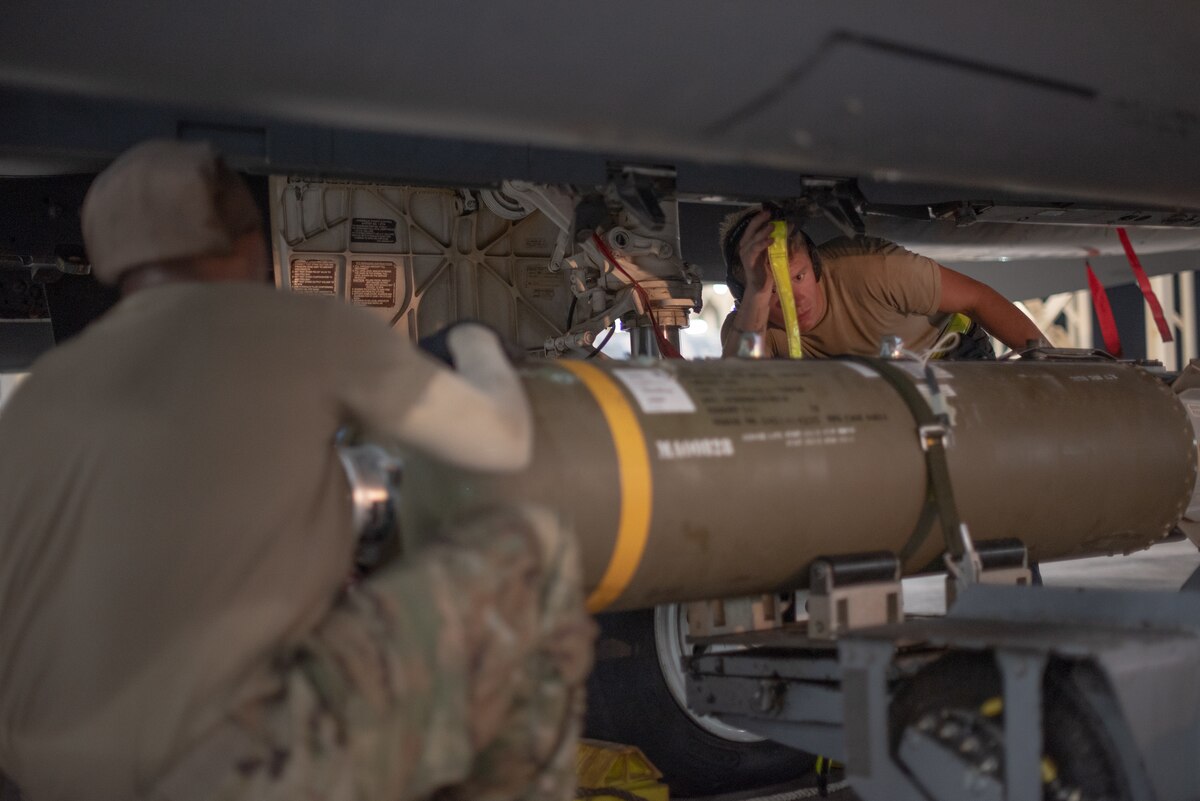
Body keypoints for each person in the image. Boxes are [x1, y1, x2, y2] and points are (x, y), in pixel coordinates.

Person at [0, 140, 595, 801]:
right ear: (250, 240)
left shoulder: (42, 389)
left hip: (45, 777)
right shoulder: (298, 326)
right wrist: (474, 341)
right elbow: (503, 443)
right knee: (529, 551)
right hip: (223, 773)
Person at [719, 207, 1047, 359]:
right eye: (773, 290)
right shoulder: (749, 327)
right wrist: (759, 293)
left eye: (799, 277)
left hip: (950, 357)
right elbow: (741, 388)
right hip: (876, 399)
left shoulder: (870, 267)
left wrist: (1057, 370)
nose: (793, 299)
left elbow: (977, 298)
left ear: (815, 263)